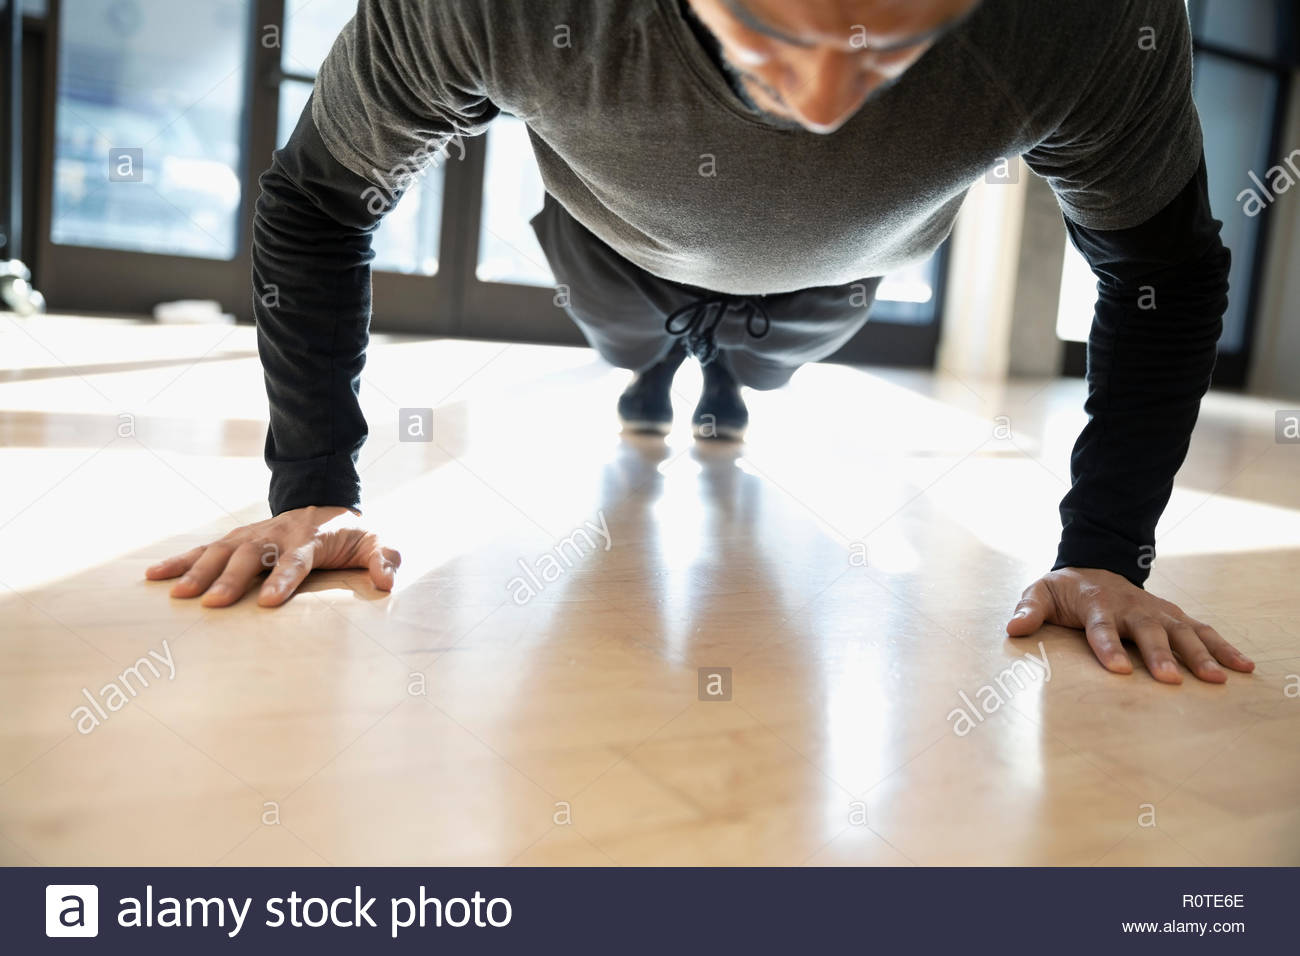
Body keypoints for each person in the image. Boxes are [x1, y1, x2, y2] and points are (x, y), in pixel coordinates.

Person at [146, 0, 1255, 685]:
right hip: (611, 252)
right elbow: (319, 202)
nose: (822, 103)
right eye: (775, 30)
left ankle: (722, 367)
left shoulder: (1084, 17)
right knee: (636, 351)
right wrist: (316, 484)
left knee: (754, 367)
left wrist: (1105, 549)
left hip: (828, 283)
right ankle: (673, 358)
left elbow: (1163, 270)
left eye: (885, 41)